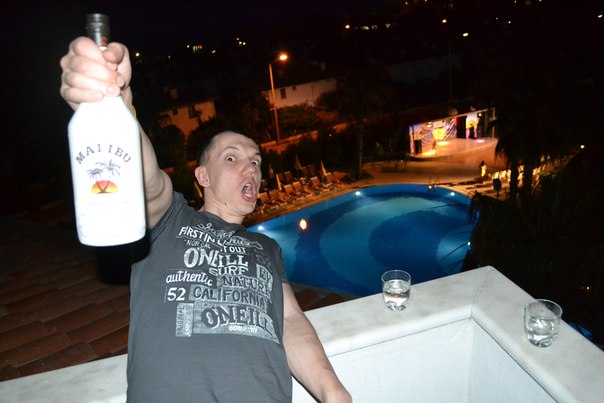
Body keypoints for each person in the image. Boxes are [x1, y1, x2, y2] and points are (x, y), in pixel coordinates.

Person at [60, 37, 352, 403]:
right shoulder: (171, 219)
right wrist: (116, 103)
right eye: (232, 158)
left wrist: (334, 393)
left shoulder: (266, 248)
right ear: (203, 177)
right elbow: (146, 182)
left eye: (256, 161)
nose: (251, 167)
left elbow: (290, 321)